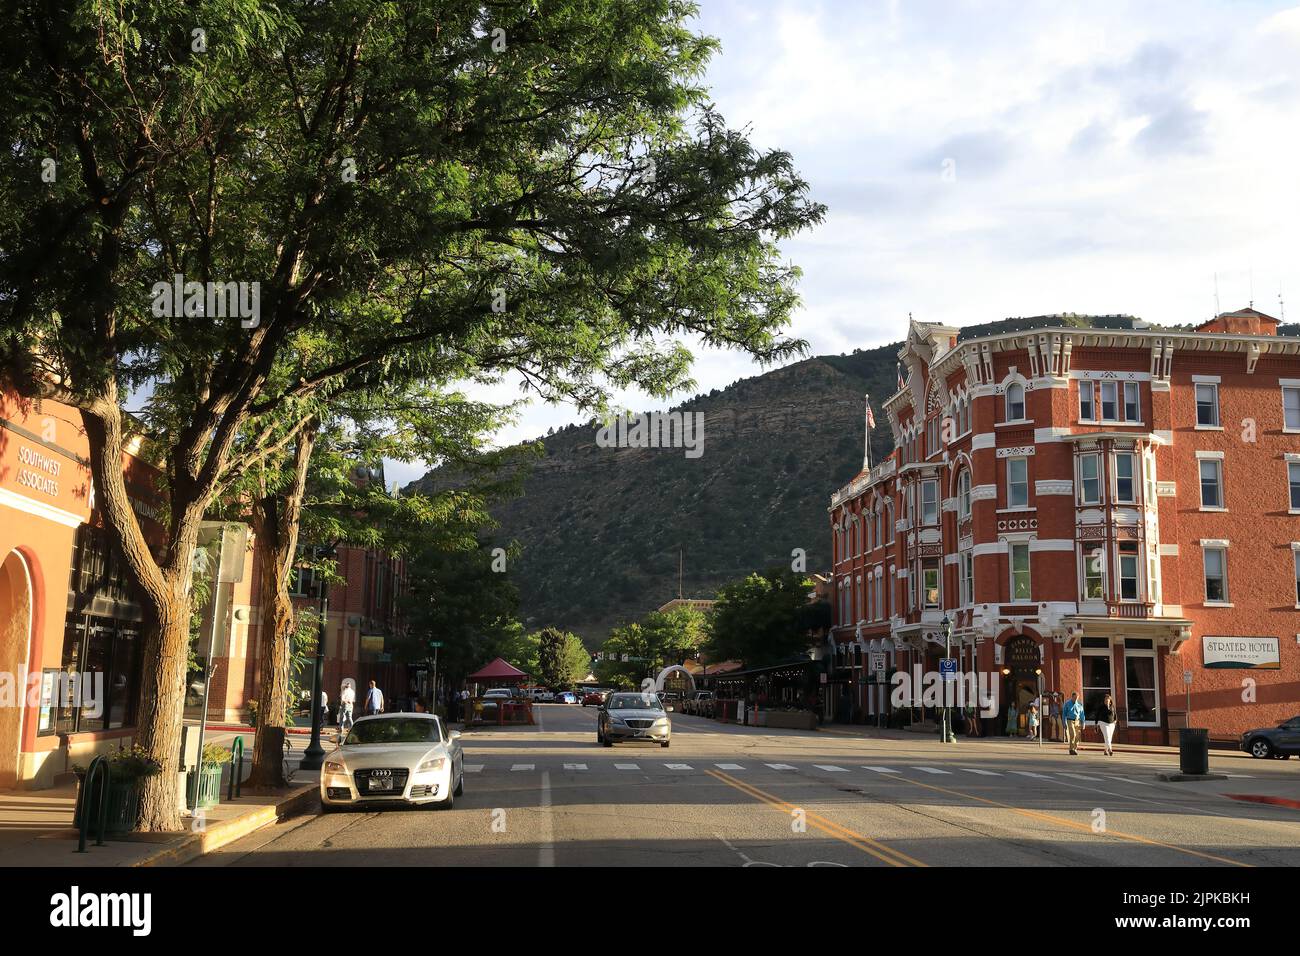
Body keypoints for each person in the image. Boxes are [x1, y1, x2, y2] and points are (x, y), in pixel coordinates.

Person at [1062, 690, 1085, 755]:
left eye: (1077, 698)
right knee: (1073, 735)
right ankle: (1071, 749)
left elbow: (1082, 714)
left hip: (1077, 721)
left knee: (1078, 736)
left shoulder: (1079, 704)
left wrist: (1083, 723)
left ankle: (1075, 748)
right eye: (1074, 698)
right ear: (1072, 697)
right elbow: (1064, 714)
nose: (1075, 700)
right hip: (1070, 720)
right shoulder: (1067, 704)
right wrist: (1064, 723)